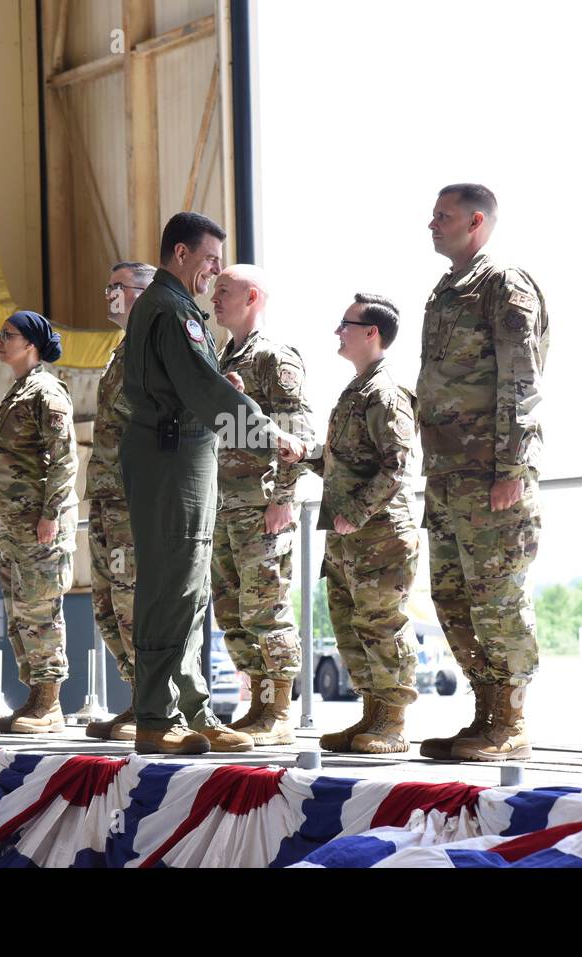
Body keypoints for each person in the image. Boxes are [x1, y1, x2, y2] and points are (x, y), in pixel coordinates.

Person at [119, 211, 304, 755]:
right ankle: (156, 715)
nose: (212, 272)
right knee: (172, 584)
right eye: (208, 261)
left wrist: (222, 391)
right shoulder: (172, 311)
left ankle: (189, 709)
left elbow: (195, 386)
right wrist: (269, 434)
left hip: (182, 454)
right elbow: (206, 392)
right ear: (181, 254)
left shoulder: (170, 309)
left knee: (192, 588)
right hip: (172, 457)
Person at [417, 183, 550, 762]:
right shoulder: (447, 290)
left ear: (476, 222)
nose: (431, 224)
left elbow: (521, 382)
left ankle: (512, 721)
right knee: (453, 600)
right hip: (448, 476)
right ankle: (487, 715)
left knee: (497, 599)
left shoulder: (504, 285)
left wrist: (512, 467)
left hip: (489, 475)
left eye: (442, 216)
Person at [284, 295, 420, 753]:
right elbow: (347, 466)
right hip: (347, 539)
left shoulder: (384, 392)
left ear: (372, 334)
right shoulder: (355, 391)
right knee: (350, 626)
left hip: (377, 536)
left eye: (346, 324)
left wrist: (356, 513)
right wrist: (306, 456)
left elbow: (397, 467)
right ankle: (371, 716)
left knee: (381, 624)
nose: (338, 332)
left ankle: (392, 723)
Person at [209, 264, 313, 746]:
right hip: (225, 505)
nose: (214, 298)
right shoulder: (218, 359)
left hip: (260, 505)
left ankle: (278, 711)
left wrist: (284, 498)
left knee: (266, 608)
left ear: (252, 297)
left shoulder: (274, 359)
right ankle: (256, 703)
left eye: (224, 290)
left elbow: (299, 434)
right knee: (231, 612)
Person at [0, 310, 79, 735]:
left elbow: (64, 460)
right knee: (21, 613)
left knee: (41, 611)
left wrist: (51, 515)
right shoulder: (18, 391)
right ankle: (33, 697)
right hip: (15, 523)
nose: (0, 341)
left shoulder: (46, 392)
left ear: (31, 344)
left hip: (38, 522)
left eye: (9, 335)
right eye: (0, 334)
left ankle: (50, 703)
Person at [84, 262, 156, 742]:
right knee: (109, 605)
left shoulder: (153, 347)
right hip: (107, 498)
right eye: (107, 286)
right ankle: (137, 698)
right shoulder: (122, 350)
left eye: (119, 287)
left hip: (135, 499)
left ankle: (154, 705)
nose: (110, 295)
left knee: (135, 602)